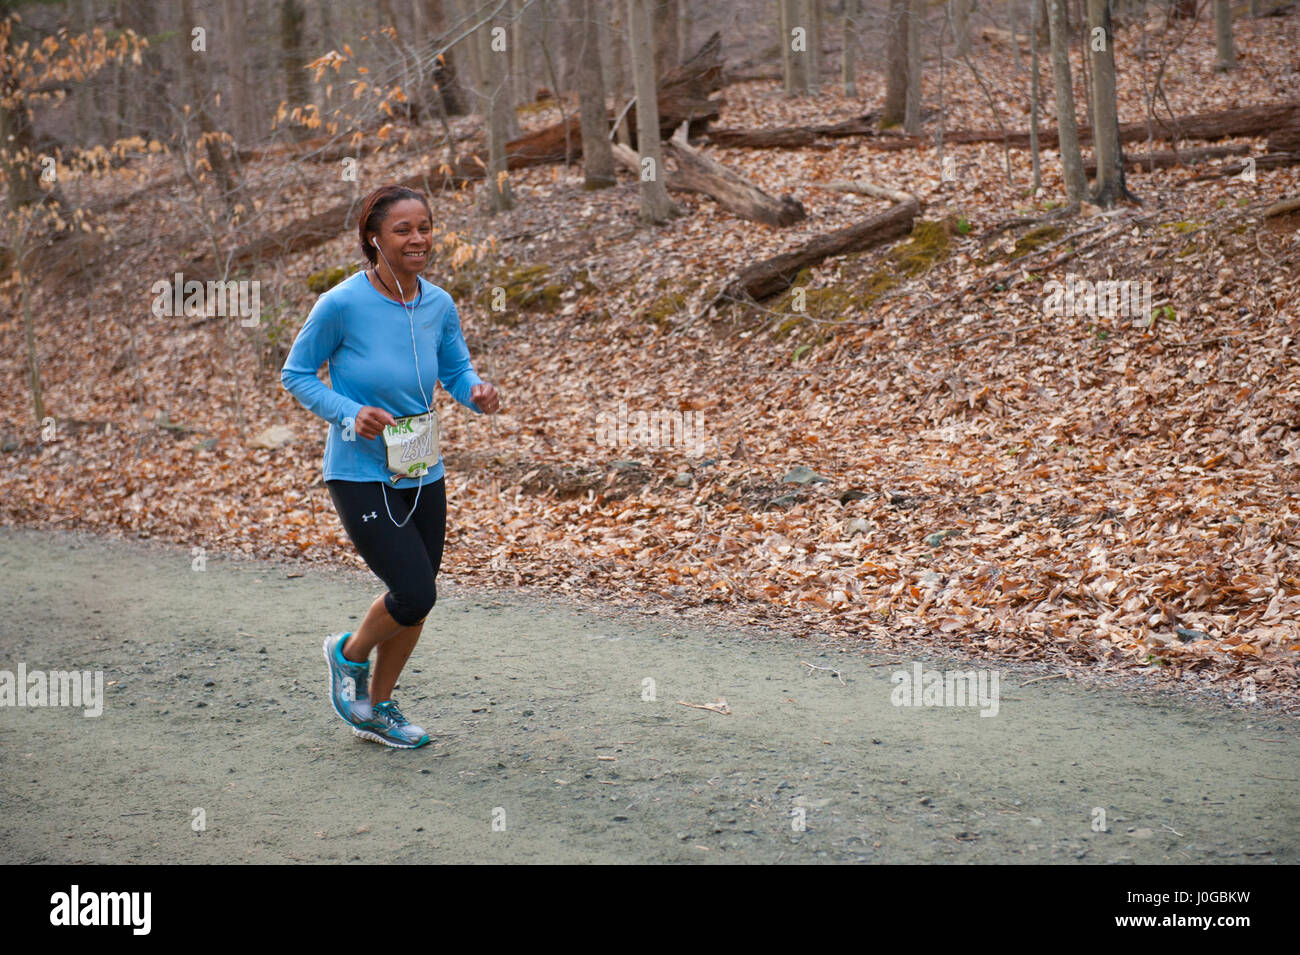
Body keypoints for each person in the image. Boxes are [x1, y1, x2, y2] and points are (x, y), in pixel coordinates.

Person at [280, 183, 501, 749]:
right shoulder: (341, 304)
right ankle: (347, 655)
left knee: (417, 593)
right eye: (403, 229)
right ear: (374, 238)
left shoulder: (438, 304)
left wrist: (475, 390)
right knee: (415, 590)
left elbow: (455, 369)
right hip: (360, 471)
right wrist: (350, 413)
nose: (418, 238)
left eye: (424, 226)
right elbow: (297, 374)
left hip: (423, 465)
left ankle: (378, 707)